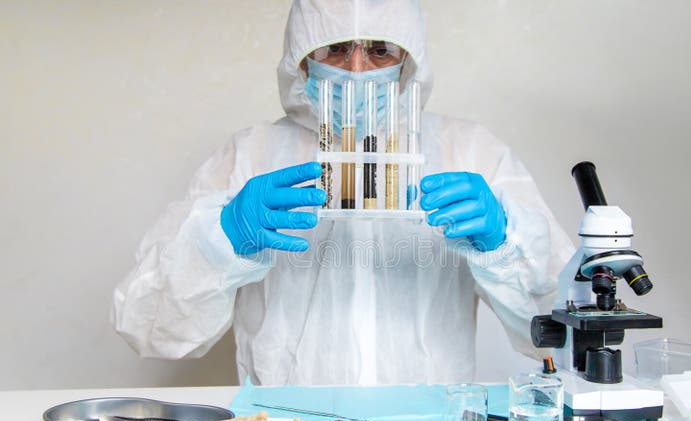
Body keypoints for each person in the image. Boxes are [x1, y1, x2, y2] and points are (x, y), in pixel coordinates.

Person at [111, 0, 573, 386]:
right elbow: (149, 328)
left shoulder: (470, 153)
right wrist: (220, 240)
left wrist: (505, 245)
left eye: (379, 50)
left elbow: (563, 336)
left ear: (408, 61)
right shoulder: (252, 156)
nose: (356, 70)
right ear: (301, 60)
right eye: (333, 49)